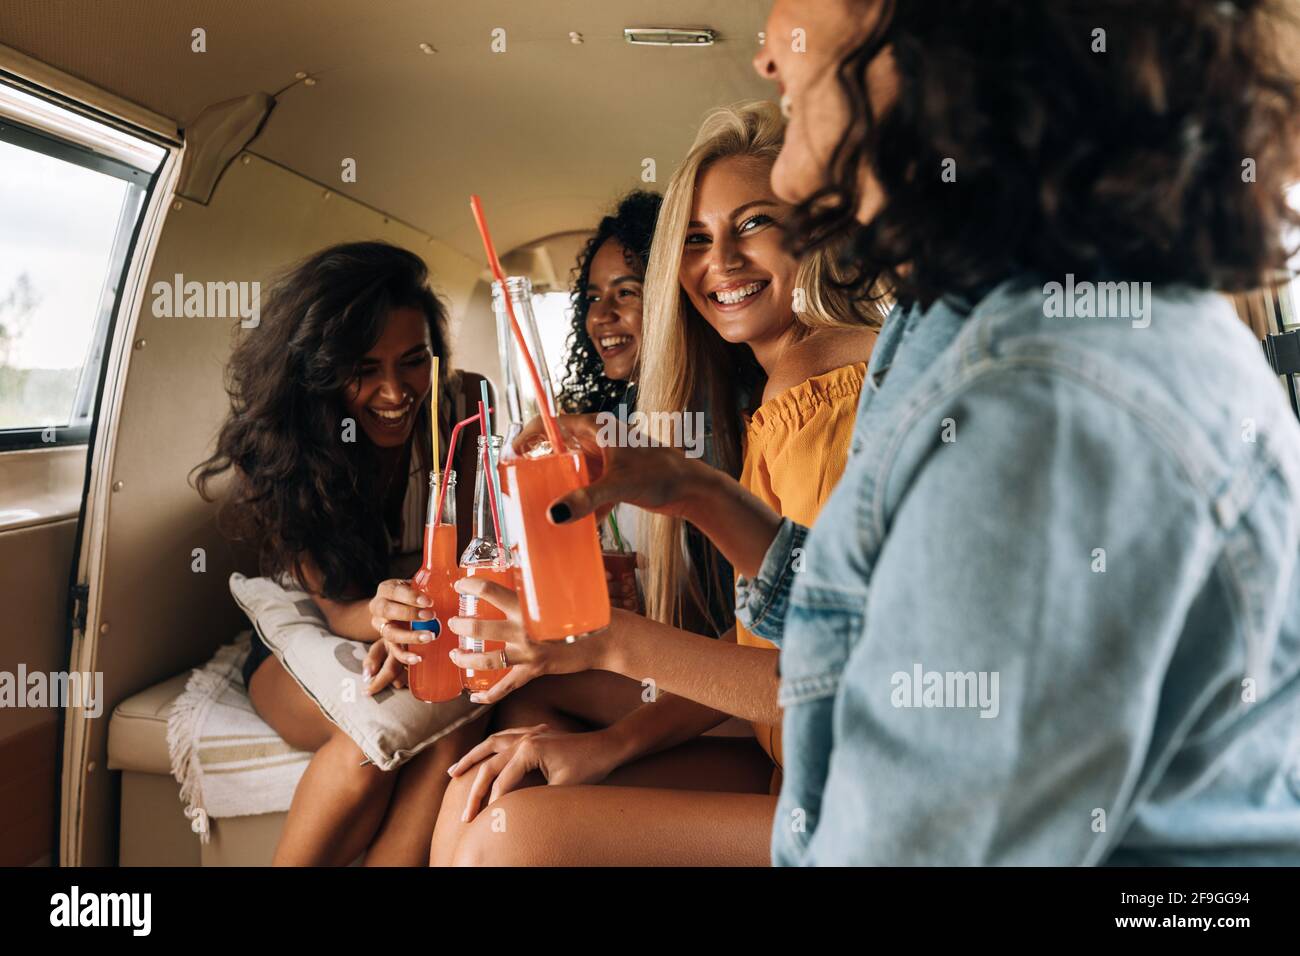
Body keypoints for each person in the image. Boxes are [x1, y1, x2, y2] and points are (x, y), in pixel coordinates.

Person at [521, 0, 1300, 864]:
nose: (767, 57)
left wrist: (608, 639)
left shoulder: (1038, 393)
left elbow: (919, 828)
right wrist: (691, 488)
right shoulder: (940, 325)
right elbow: (870, 612)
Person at [430, 102, 880, 866]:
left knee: (505, 842)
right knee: (487, 782)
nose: (722, 264)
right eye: (698, 240)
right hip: (794, 766)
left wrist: (608, 642)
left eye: (753, 224)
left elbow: (839, 678)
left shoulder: (825, 382)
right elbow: (771, 645)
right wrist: (610, 744)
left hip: (863, 801)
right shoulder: (788, 389)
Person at [193, 241, 489, 865]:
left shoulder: (463, 409)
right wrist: (382, 617)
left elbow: (469, 554)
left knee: (453, 726)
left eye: (412, 362)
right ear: (323, 370)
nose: (393, 392)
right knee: (363, 748)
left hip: (427, 626)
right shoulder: (291, 443)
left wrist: (413, 625)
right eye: (363, 369)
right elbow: (333, 608)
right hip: (313, 628)